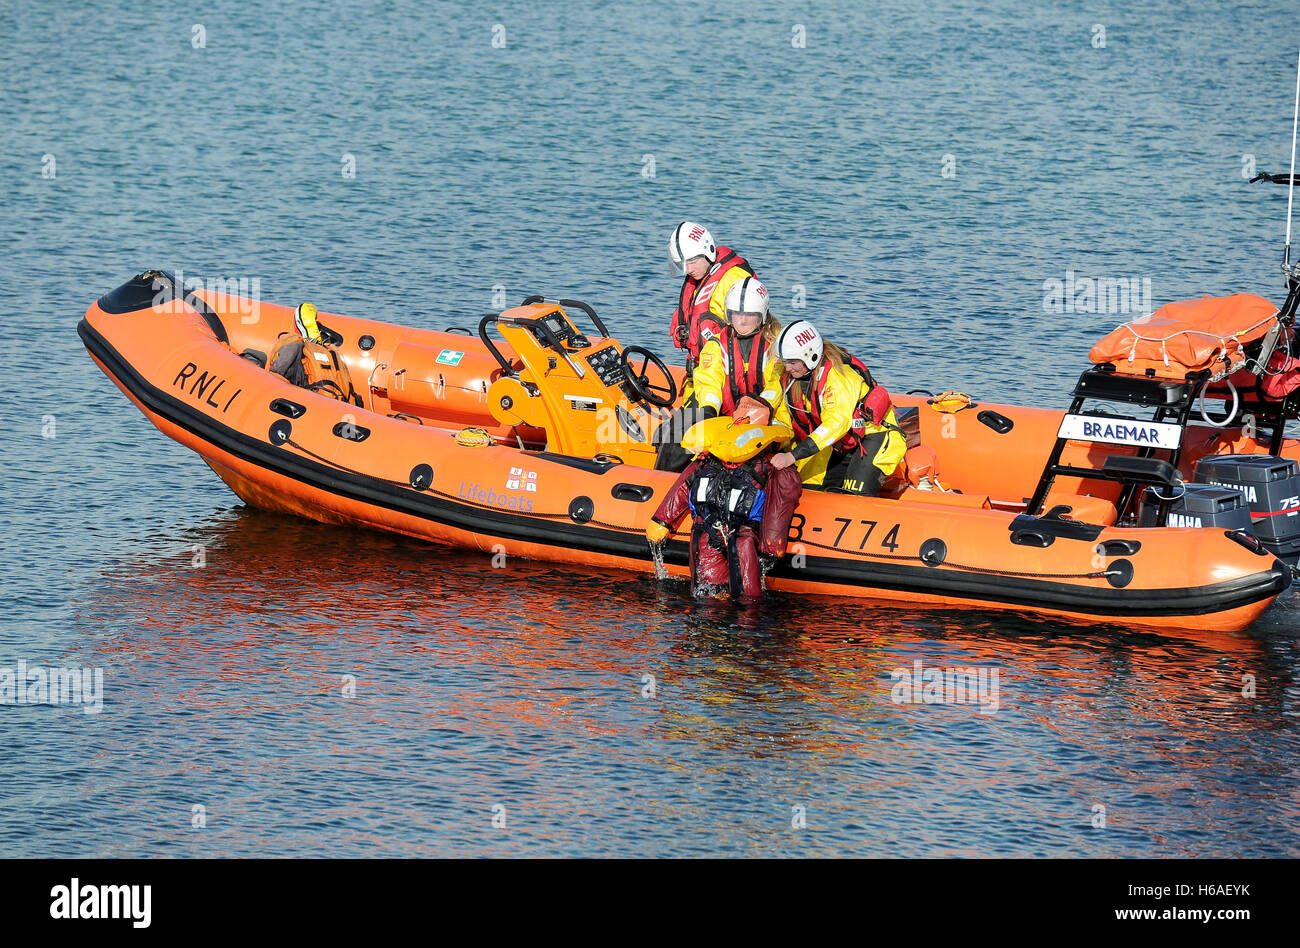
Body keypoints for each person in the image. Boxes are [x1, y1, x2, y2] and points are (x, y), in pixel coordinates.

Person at [646, 419, 802, 602]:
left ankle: (731, 622)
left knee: (735, 598)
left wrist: (771, 546)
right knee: (727, 598)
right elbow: (682, 489)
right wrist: (661, 521)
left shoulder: (770, 465)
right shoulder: (705, 462)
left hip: (737, 537)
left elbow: (780, 502)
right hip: (713, 534)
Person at [653, 222, 755, 469]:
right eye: (682, 264)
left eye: (692, 261)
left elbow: (750, 336)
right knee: (664, 435)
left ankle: (661, 489)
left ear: (708, 250)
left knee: (678, 440)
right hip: (703, 376)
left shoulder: (734, 280)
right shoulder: (699, 277)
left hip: (726, 380)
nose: (688, 269)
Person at [770, 319, 906, 495]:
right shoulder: (790, 377)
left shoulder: (838, 376)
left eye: (792, 363)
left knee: (855, 494)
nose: (787, 368)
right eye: (785, 362)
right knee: (809, 488)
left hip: (872, 434)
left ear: (810, 356)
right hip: (838, 441)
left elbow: (837, 423)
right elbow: (784, 418)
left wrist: (792, 456)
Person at [268, 302, 359, 404]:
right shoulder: (333, 353)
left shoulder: (294, 345)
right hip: (339, 405)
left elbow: (273, 378)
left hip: (311, 405)